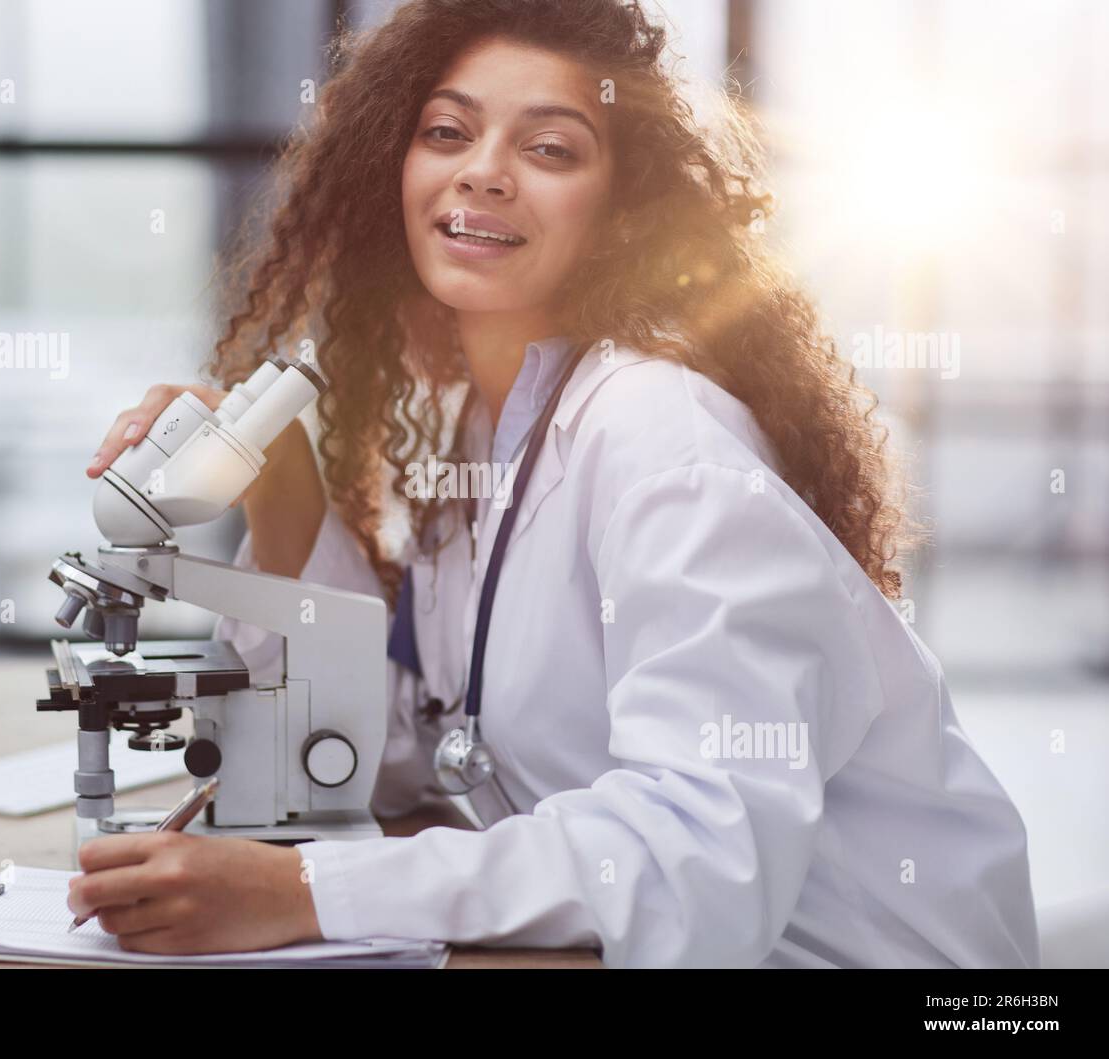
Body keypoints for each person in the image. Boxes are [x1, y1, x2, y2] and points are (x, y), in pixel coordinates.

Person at [69, 0, 1039, 968]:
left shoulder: (662, 436)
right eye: (446, 132)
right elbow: (395, 757)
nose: (482, 170)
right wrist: (283, 494)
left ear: (621, 211)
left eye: (551, 150)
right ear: (388, 173)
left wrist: (306, 893)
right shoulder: (475, 433)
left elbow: (693, 860)